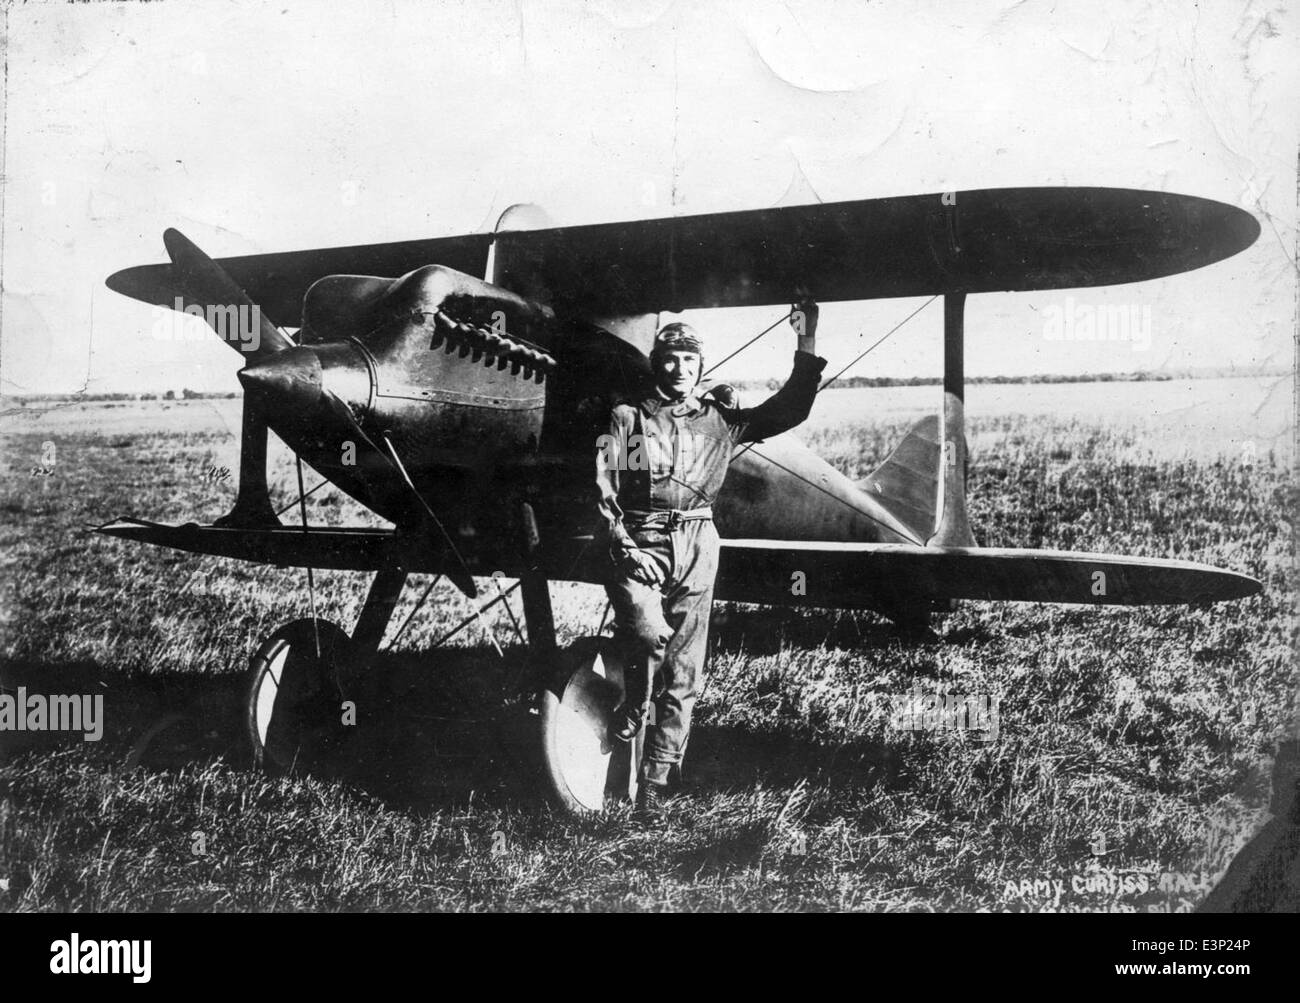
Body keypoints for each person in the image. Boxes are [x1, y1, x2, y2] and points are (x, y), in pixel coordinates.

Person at [594, 301, 826, 812]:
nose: (680, 369)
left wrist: (805, 344)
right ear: (658, 364)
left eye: (690, 361)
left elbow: (788, 410)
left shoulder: (720, 422)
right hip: (642, 540)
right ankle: (633, 704)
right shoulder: (628, 419)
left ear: (701, 368)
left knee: (684, 669)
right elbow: (605, 495)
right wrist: (627, 549)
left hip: (699, 542)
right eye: (671, 359)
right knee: (648, 634)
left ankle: (654, 786)